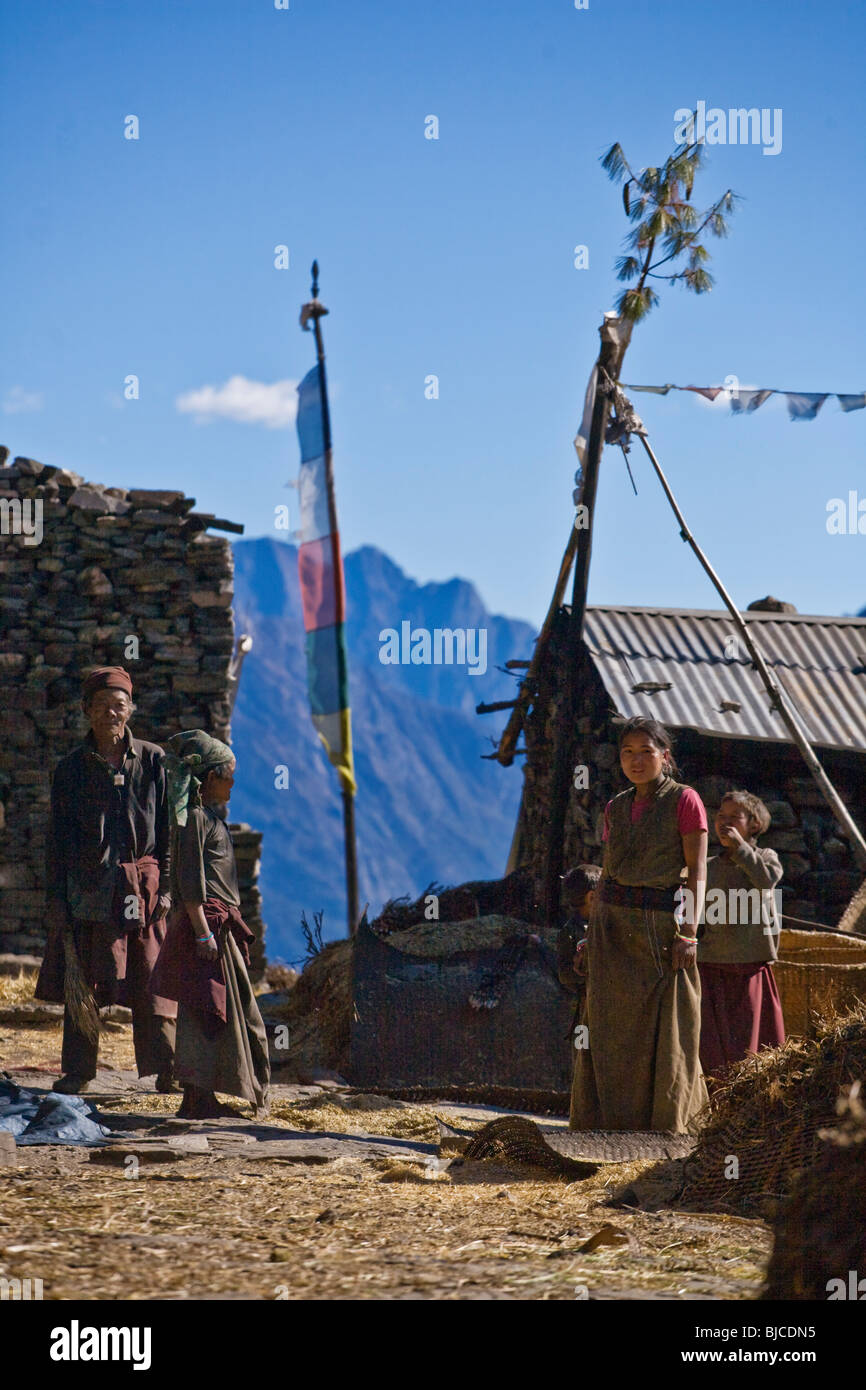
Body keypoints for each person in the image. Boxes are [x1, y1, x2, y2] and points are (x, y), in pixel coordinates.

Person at [36, 667, 176, 1094]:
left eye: (119, 706)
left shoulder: (153, 761)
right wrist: (57, 900)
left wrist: (167, 886)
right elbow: (57, 840)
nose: (111, 714)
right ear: (86, 711)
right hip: (89, 892)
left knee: (152, 979)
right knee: (86, 982)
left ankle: (168, 1070)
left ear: (130, 709)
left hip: (143, 889)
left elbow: (170, 828)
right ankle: (79, 1071)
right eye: (101, 706)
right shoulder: (71, 770)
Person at [570, 716, 708, 1134]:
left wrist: (689, 933)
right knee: (610, 1029)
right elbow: (608, 877)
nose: (636, 760)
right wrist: (591, 936)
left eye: (646, 752)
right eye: (627, 752)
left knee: (665, 1029)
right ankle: (605, 1126)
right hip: (613, 929)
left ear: (664, 757)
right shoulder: (615, 807)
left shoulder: (686, 801)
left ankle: (666, 1125)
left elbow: (696, 872)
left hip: (661, 930)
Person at [150, 731, 270, 1120]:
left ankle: (204, 1095)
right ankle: (197, 1098)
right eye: (228, 775)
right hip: (207, 930)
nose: (233, 782)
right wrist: (202, 932)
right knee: (207, 1008)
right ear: (207, 779)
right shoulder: (195, 821)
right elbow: (190, 881)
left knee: (223, 1010)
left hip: (217, 930)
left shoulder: (203, 818)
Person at [698, 790, 786, 1077]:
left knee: (752, 1047)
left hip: (750, 967)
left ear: (755, 825)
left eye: (735, 817)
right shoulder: (708, 867)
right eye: (720, 817)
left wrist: (741, 849)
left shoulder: (766, 858)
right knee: (712, 1047)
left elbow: (766, 881)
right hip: (711, 967)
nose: (725, 824)